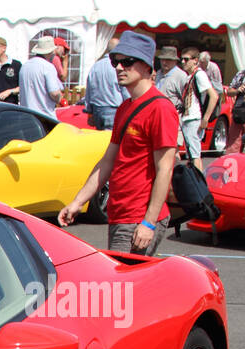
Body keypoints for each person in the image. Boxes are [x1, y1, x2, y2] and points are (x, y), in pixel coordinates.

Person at [59, 32, 178, 255]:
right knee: (127, 286)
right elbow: (108, 161)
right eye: (116, 61)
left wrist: (149, 223)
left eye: (128, 61)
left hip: (138, 217)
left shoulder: (160, 108)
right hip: (119, 213)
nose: (119, 67)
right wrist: (77, 202)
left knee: (122, 287)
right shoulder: (125, 107)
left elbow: (165, 169)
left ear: (147, 67)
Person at [179, 47, 217, 170]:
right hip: (188, 117)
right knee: (192, 153)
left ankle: (198, 180)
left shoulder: (199, 75)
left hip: (194, 117)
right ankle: (196, 178)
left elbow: (213, 96)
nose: (183, 62)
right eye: (182, 59)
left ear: (195, 60)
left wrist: (205, 118)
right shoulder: (189, 76)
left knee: (194, 153)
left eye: (186, 59)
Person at [83, 37, 125, 129]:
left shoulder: (95, 66)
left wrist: (89, 111)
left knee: (101, 140)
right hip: (113, 109)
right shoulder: (118, 66)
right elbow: (124, 88)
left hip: (97, 109)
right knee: (111, 140)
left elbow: (89, 90)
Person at [19, 36, 63, 114]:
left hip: (26, 114)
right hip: (44, 115)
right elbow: (54, 93)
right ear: (51, 52)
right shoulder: (48, 67)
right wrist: (59, 98)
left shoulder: (25, 66)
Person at [153, 46, 187, 112]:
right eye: (162, 59)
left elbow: (185, 99)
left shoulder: (181, 76)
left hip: (172, 113)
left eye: (168, 60)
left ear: (175, 61)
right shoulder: (159, 73)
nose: (164, 62)